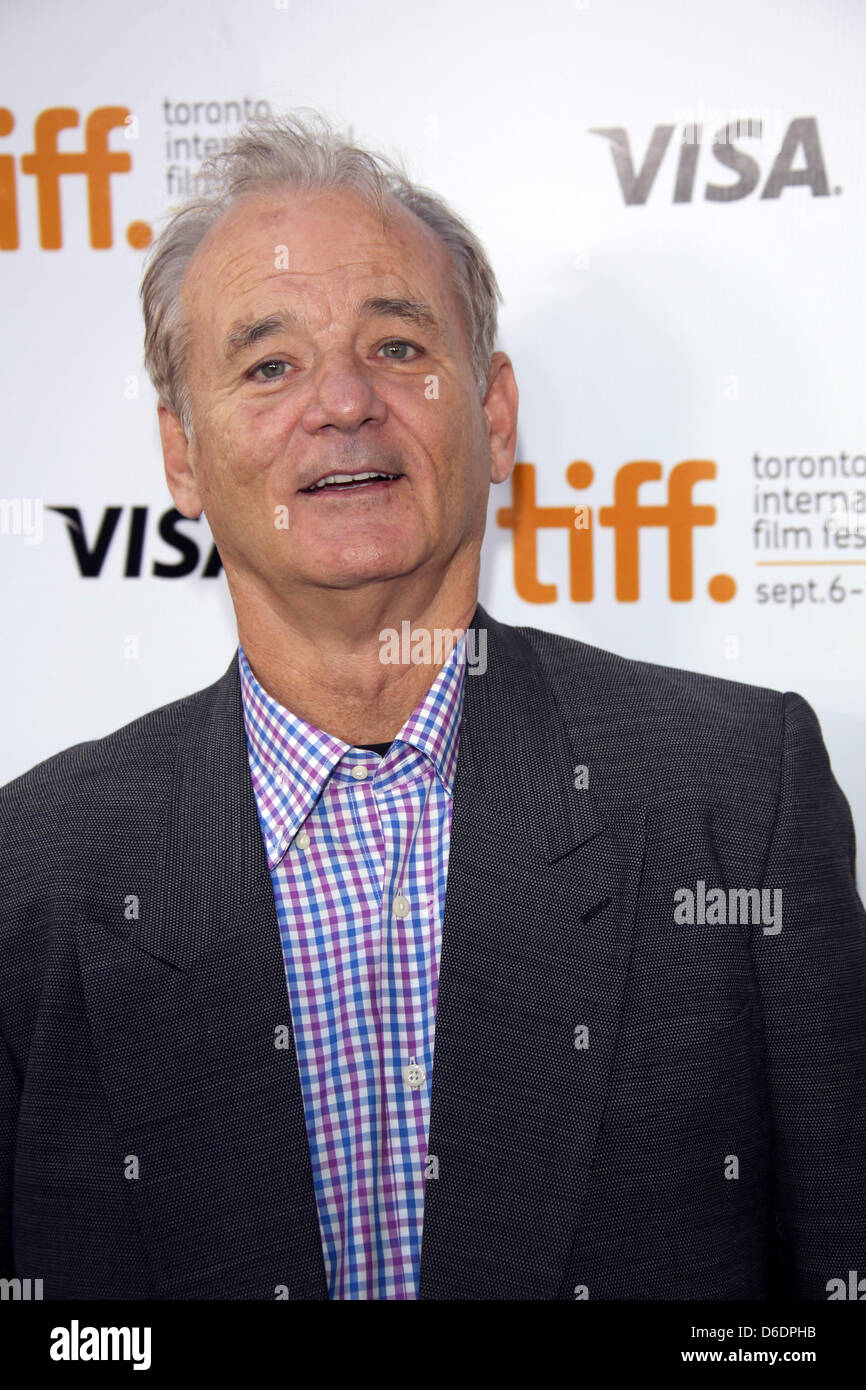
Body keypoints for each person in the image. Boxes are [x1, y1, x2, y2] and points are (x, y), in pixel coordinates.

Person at [1, 111, 864, 1301]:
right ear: (182, 461)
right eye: (268, 365)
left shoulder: (735, 793)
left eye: (399, 347)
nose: (344, 402)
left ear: (493, 416)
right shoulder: (34, 872)